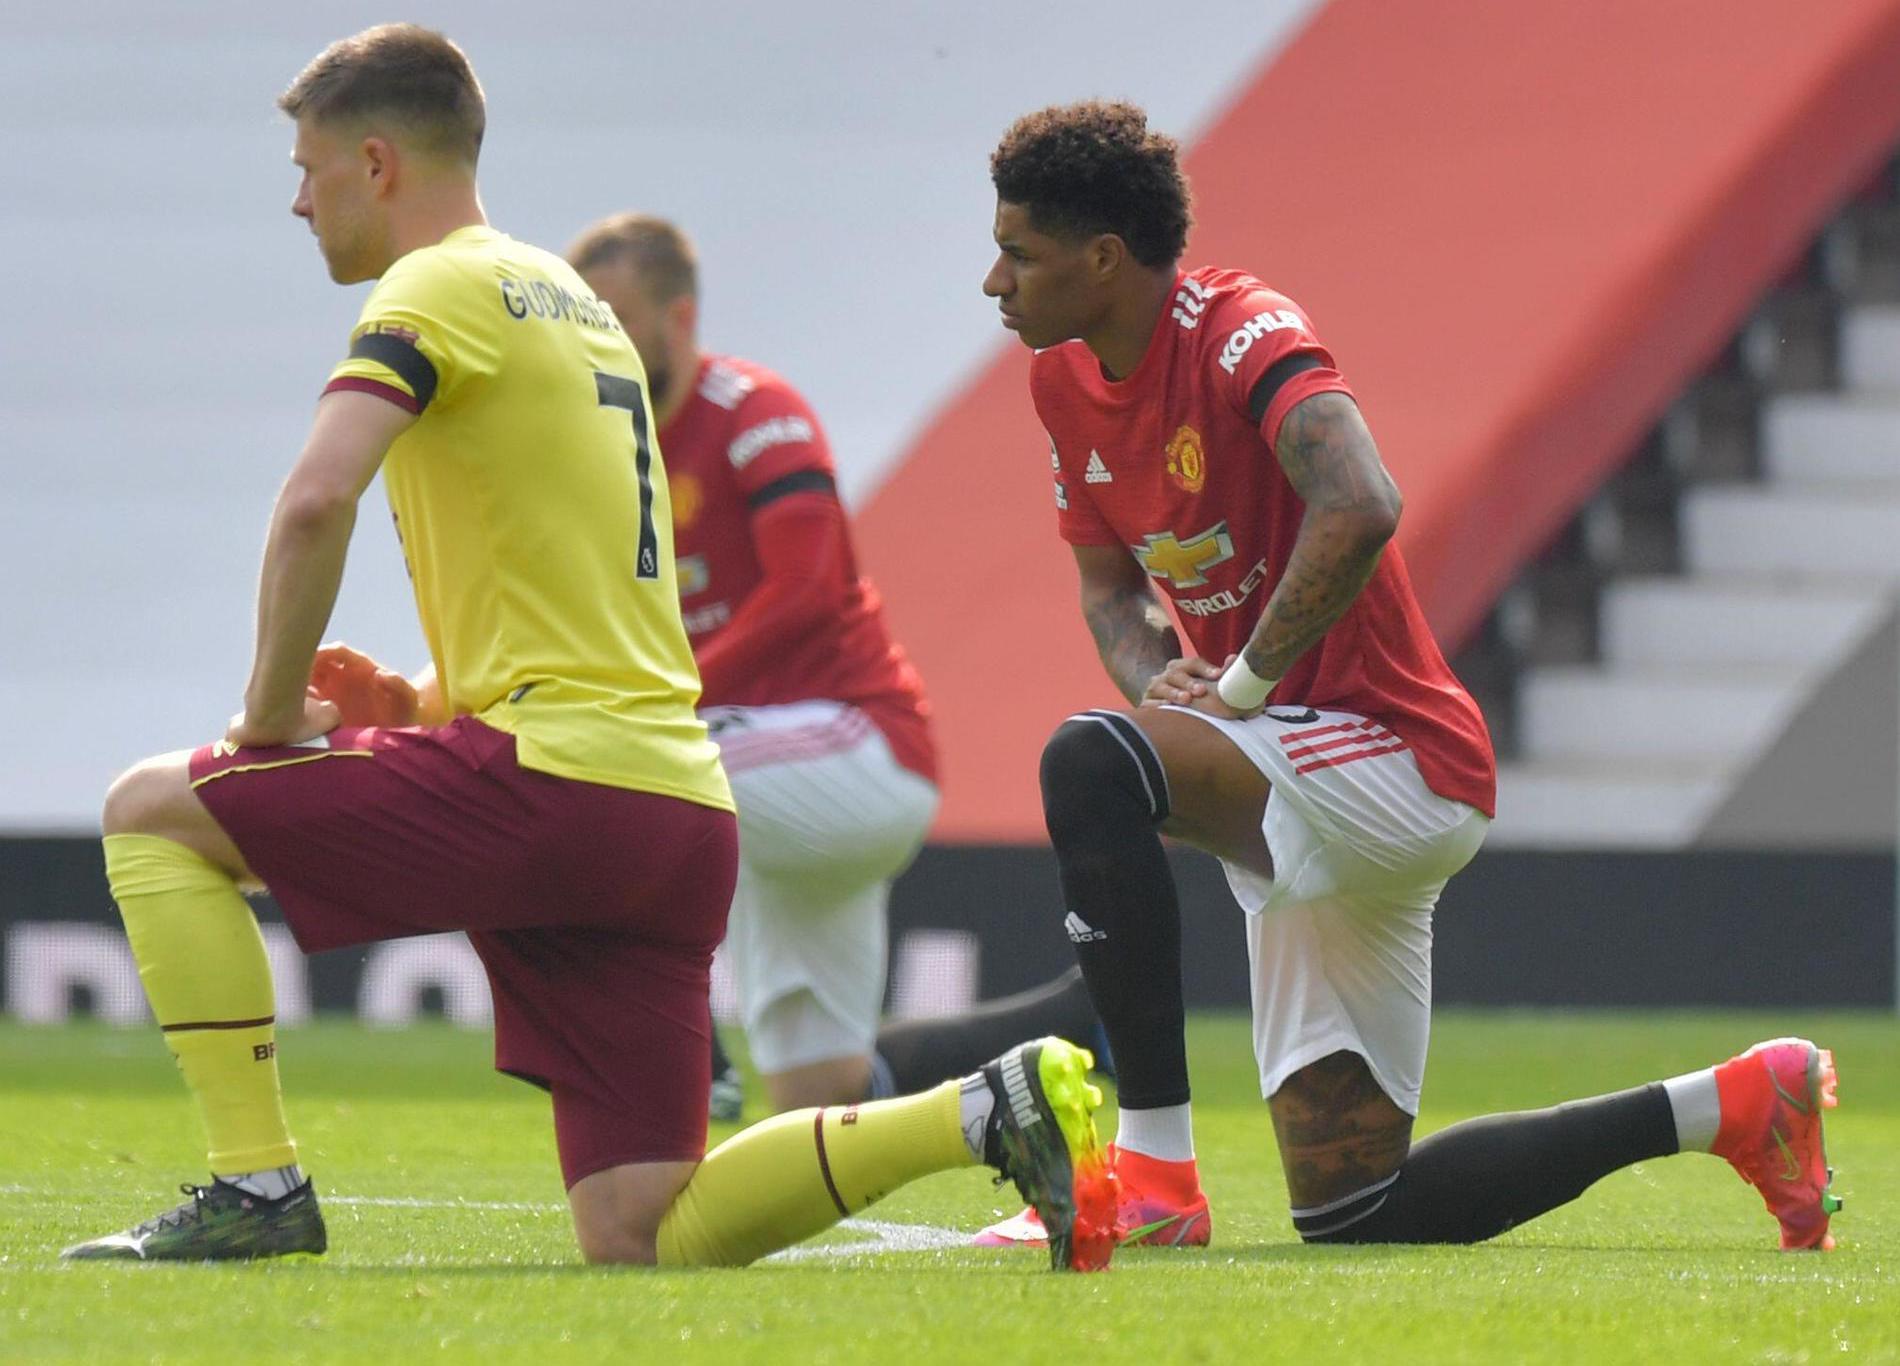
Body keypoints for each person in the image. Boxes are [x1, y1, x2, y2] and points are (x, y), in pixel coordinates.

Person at [60, 26, 1115, 1273]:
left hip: (554, 788)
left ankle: (257, 1184)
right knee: (641, 1230)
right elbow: (584, 580)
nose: (298, 198)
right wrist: (421, 697)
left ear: (378, 161)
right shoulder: (579, 311)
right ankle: (980, 1109)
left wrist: (267, 714)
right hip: (667, 811)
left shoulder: (432, 287)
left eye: (308, 166)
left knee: (149, 812)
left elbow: (313, 499)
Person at [972, 99, 1842, 1253]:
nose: (995, 282)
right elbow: (1107, 594)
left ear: (1101, 258)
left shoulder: (1238, 328)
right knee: (1355, 1214)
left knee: (1089, 760)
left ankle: (1153, 1176)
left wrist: (1232, 692)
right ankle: (1737, 1104)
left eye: (1017, 253)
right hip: (1295, 769)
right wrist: (1163, 680)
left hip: (1385, 752)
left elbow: (1363, 502)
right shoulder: (1060, 386)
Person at [565, 212, 1105, 1115]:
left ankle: (681, 1041)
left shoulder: (751, 413)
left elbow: (807, 592)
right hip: (770, 797)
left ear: (681, 317)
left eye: (616, 317)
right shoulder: (603, 448)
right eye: (586, 323)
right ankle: (1077, 1026)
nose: (600, 342)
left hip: (855, 749)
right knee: (817, 1094)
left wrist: (665, 696)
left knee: (615, 767)